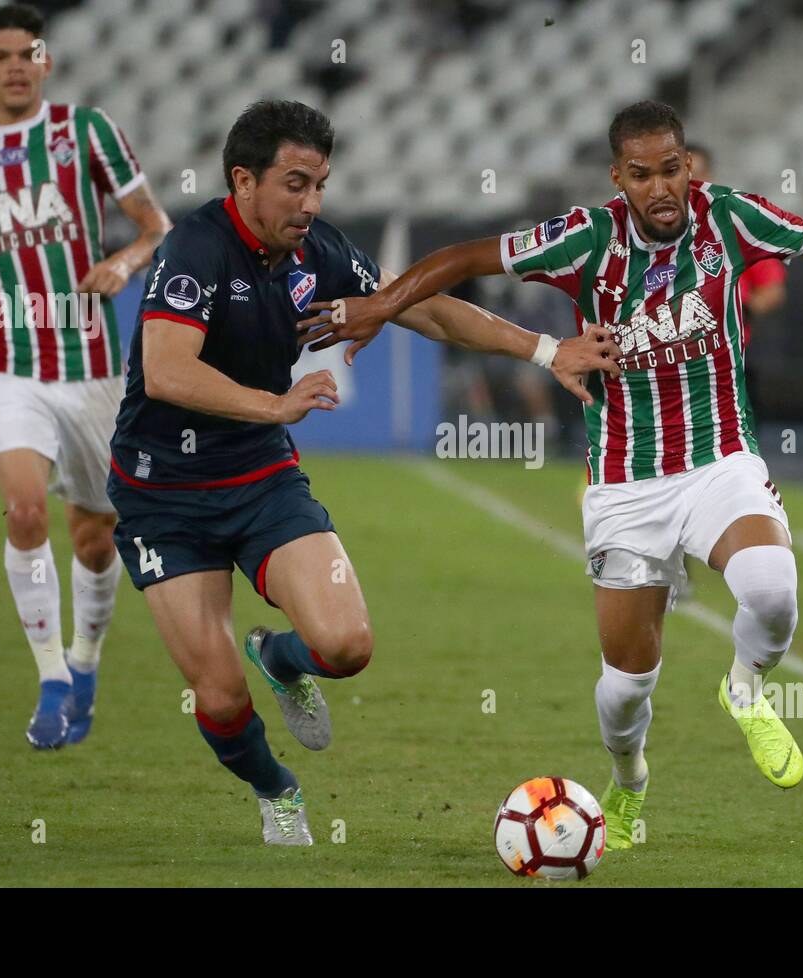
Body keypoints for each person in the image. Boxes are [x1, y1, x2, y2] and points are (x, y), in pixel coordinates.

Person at [298, 100, 803, 849]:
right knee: (625, 689)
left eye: (672, 169)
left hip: (719, 463)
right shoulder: (586, 237)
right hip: (625, 485)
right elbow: (468, 257)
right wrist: (383, 304)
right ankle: (630, 781)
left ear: (687, 166)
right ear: (620, 178)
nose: (662, 187)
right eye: (642, 175)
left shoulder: (729, 218)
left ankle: (743, 688)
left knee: (771, 588)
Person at [107, 99, 619, 845]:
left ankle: (279, 656)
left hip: (257, 479)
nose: (311, 203)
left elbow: (429, 310)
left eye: (320, 184)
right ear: (242, 181)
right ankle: (275, 787)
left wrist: (546, 351)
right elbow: (165, 369)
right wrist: (273, 403)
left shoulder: (320, 252)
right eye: (294, 183)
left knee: (347, 646)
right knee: (217, 696)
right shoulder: (194, 249)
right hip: (162, 496)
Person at [0, 3, 171, 748]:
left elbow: (156, 225)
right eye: (1, 54)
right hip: (5, 366)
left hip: (90, 371)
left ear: (45, 62)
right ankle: (50, 677)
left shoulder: (87, 133)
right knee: (24, 512)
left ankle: (85, 659)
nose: (17, 65)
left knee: (94, 540)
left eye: (29, 52)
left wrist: (123, 261)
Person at [686, 141, 787, 432]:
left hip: (728, 355)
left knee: (734, 441)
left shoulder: (734, 226)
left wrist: (734, 308)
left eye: (698, 174)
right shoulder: (650, 231)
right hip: (668, 357)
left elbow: (772, 290)